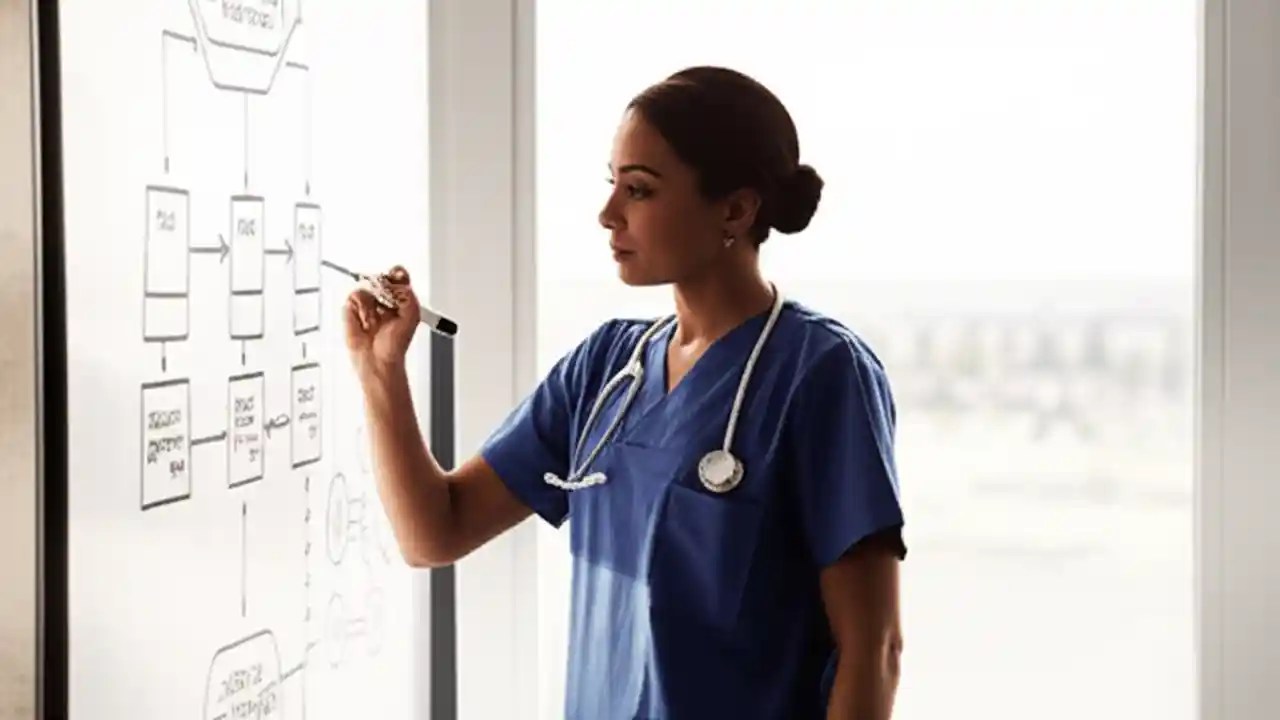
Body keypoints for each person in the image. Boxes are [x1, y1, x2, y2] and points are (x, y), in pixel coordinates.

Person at [345, 66, 907, 720]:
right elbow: (434, 533)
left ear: (735, 209)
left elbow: (874, 650)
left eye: (638, 189)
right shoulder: (605, 368)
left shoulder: (821, 373)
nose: (608, 214)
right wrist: (380, 369)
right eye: (612, 184)